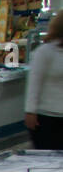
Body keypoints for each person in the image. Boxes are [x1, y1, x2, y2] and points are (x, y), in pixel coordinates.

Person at [25, 12, 63, 150]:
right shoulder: (44, 52)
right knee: (46, 159)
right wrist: (30, 111)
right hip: (45, 118)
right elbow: (34, 83)